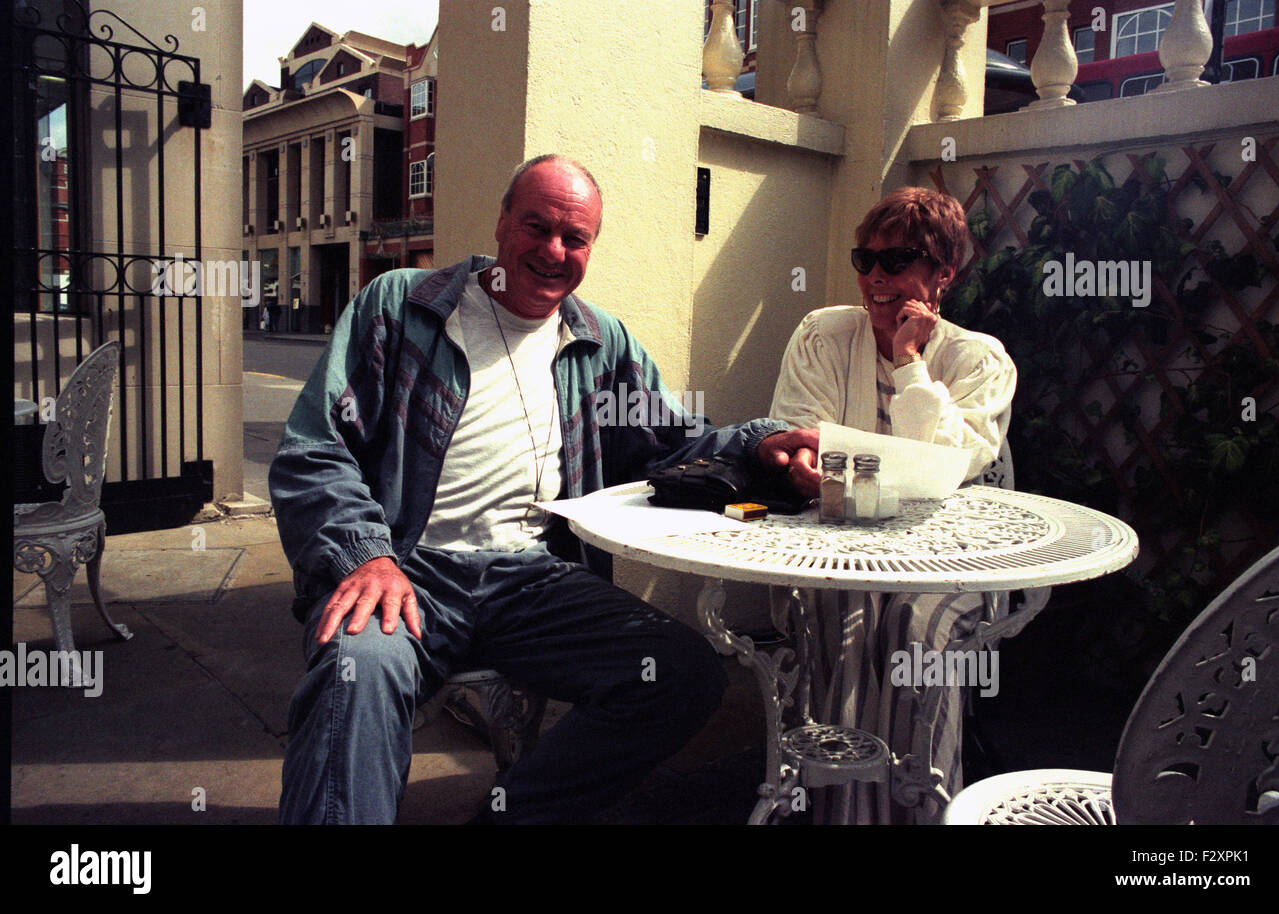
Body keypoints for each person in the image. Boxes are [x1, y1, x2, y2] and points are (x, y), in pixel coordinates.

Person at [270, 154, 819, 824]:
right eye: (537, 226)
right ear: (502, 223)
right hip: (410, 570)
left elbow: (674, 440)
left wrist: (758, 441)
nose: (554, 251)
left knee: (681, 676)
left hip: (535, 581)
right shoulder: (401, 307)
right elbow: (314, 448)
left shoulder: (598, 340)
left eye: (576, 238)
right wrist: (366, 555)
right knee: (357, 671)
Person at [768, 186, 1017, 823]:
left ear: (943, 274)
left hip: (952, 555)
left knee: (916, 630)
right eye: (864, 259)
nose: (875, 278)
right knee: (840, 619)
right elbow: (798, 442)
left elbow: (948, 470)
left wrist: (909, 366)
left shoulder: (978, 360)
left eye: (897, 260)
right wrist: (818, 468)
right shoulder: (823, 335)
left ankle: (927, 808)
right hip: (840, 543)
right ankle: (841, 814)